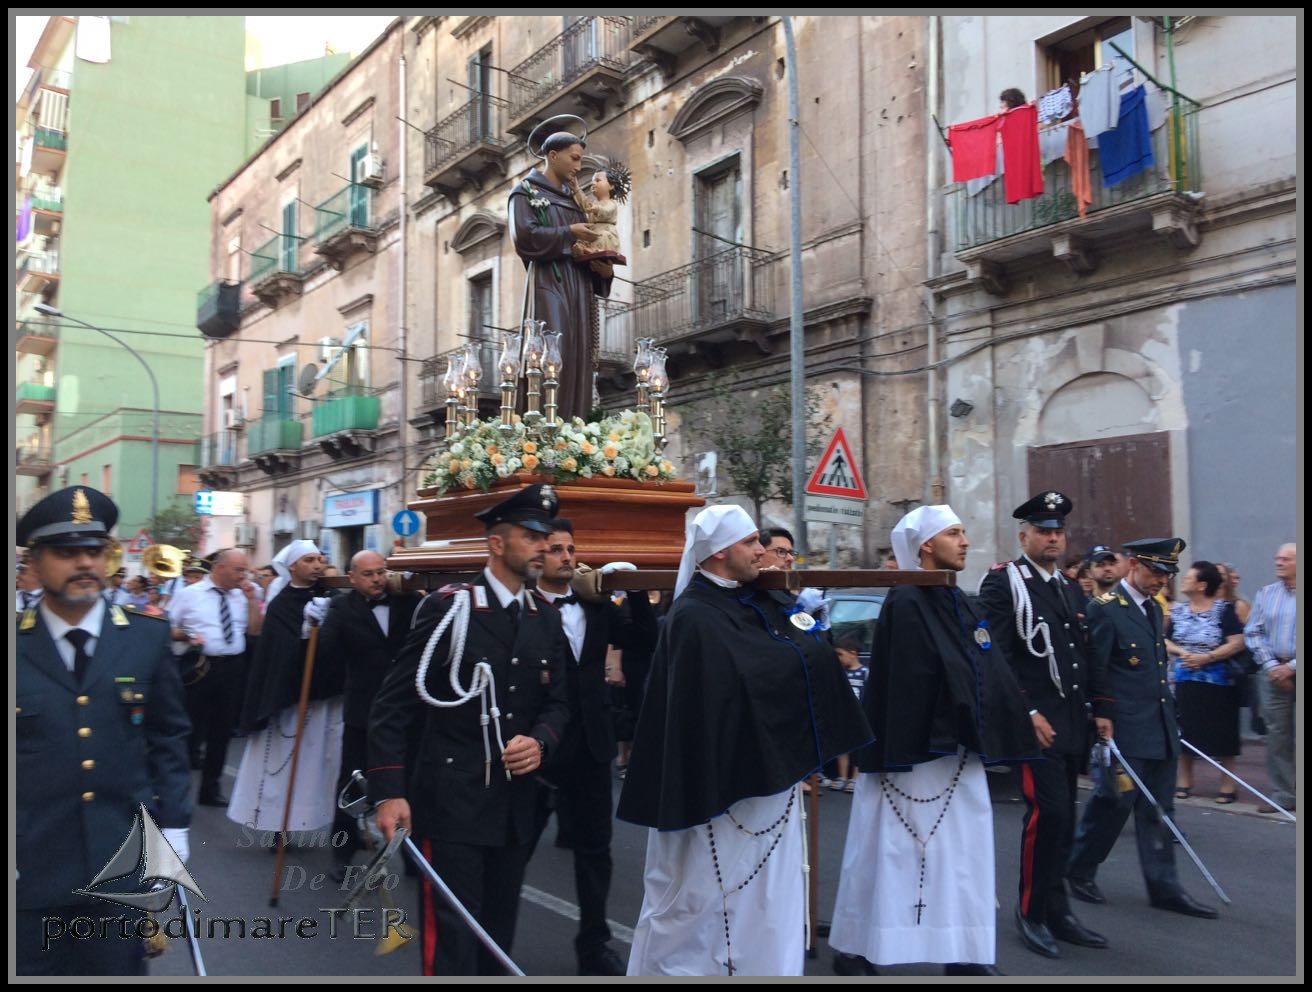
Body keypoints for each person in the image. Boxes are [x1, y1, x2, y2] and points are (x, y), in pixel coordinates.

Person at [618, 505, 871, 976]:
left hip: (769, 789)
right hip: (724, 793)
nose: (762, 551)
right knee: (707, 905)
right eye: (752, 542)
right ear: (718, 552)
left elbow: (803, 653)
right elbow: (728, 694)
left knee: (767, 905)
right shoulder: (694, 616)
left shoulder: (754, 601)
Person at [370, 484, 571, 976]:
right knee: (454, 937)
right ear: (497, 545)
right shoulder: (452, 608)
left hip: (515, 807)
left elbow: (561, 702)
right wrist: (389, 792)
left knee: (498, 938)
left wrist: (540, 742)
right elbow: (392, 704)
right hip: (452, 800)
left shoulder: (543, 616)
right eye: (532, 537)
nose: (543, 547)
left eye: (546, 538)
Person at [830, 505, 1037, 977]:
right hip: (915, 755)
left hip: (958, 755)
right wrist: (962, 711)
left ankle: (965, 951)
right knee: (891, 854)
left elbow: (985, 666)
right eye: (954, 533)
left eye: (965, 532)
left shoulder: (960, 600)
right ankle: (860, 948)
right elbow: (910, 683)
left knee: (964, 857)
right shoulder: (905, 601)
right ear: (926, 546)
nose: (965, 541)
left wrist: (1008, 715)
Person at [16, 486, 192, 975]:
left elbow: (169, 737)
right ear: (34, 562)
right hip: (28, 864)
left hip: (118, 863)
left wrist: (175, 824)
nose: (84, 563)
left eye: (94, 550)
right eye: (66, 552)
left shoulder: (146, 638)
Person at [977, 492, 1105, 959]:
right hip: (1037, 725)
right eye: (1043, 531)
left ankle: (1058, 909)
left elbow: (1081, 657)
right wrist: (1027, 713)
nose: (1053, 538)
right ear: (1024, 536)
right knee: (1046, 814)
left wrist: (1101, 707)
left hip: (1071, 722)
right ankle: (1030, 912)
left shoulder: (1070, 588)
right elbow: (997, 657)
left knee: (1065, 818)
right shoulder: (1004, 583)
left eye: (1058, 531)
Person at [1066, 537, 1219, 919]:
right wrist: (1101, 716)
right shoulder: (1105, 609)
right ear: (1133, 565)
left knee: (1159, 809)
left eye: (1167, 574)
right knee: (1113, 803)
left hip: (1159, 723)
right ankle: (1079, 869)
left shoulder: (1153, 610)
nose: (1160, 581)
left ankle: (1165, 887)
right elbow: (1096, 668)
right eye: (1155, 571)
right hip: (1124, 726)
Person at [532, 518, 656, 975]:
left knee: (594, 850)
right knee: (516, 846)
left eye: (570, 548)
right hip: (539, 748)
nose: (566, 556)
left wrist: (635, 588)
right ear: (536, 556)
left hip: (590, 746)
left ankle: (594, 942)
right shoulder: (523, 607)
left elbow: (644, 639)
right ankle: (492, 935)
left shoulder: (596, 606)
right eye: (555, 549)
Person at [316, 550, 424, 881]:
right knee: (352, 783)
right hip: (364, 710)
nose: (377, 579)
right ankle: (342, 853)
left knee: (410, 783)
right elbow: (326, 657)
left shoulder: (408, 602)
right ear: (352, 578)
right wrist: (318, 627)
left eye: (381, 572)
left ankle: (412, 856)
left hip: (406, 709)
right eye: (368, 574)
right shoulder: (341, 608)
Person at [228, 541, 342, 835]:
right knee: (285, 764)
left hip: (323, 695)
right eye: (309, 560)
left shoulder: (332, 597)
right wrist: (305, 634)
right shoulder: (281, 604)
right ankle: (279, 824)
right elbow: (277, 650)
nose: (317, 565)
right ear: (292, 566)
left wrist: (328, 628)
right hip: (290, 696)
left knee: (321, 764)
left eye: (319, 559)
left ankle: (314, 821)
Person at [508, 124, 614, 421]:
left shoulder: (576, 200)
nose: (579, 166)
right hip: (548, 284)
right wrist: (568, 232)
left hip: (579, 286)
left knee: (578, 356)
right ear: (553, 156)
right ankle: (544, 430)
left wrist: (603, 271)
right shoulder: (524, 192)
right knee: (555, 352)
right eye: (575, 158)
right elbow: (524, 238)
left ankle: (574, 427)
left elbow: (589, 243)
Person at [168, 548, 263, 808]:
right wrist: (187, 636)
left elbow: (254, 630)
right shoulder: (190, 595)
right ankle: (176, 791)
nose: (243, 575)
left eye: (245, 570)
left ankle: (211, 789)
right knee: (190, 730)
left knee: (221, 732)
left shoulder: (242, 596)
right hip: (200, 667)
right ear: (219, 568)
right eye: (238, 570)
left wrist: (253, 600)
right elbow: (167, 627)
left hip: (232, 668)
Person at [1166, 561, 1247, 803]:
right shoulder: (1178, 611)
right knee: (1184, 728)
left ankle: (1228, 785)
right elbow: (1164, 640)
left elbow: (1237, 642)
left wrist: (1207, 657)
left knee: (1222, 732)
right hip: (1182, 678)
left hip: (1218, 680)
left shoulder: (1224, 610)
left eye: (1189, 578)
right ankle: (1184, 780)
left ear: (1202, 585)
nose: (1183, 581)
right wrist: (1183, 653)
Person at [1244, 543, 1297, 813]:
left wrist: (1293, 667)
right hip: (1273, 672)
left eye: (1286, 558)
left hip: (1292, 668)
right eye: (1277, 557)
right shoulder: (1266, 594)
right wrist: (1273, 666)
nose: (1278, 562)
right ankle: (1285, 793)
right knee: (1278, 733)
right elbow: (1253, 632)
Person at [570, 163, 630, 266]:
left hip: (606, 232)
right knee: (582, 240)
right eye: (592, 181)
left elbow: (607, 211)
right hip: (593, 231)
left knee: (602, 236)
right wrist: (576, 189)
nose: (593, 183)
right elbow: (585, 204)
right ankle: (583, 249)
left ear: (611, 186)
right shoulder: (594, 204)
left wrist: (596, 209)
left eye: (597, 180)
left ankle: (593, 250)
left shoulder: (611, 203)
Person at [832, 635, 868, 792]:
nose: (838, 658)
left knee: (860, 746)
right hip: (845, 714)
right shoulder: (841, 673)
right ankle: (842, 777)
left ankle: (855, 778)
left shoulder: (865, 672)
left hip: (861, 715)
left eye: (840, 654)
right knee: (843, 746)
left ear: (853, 653)